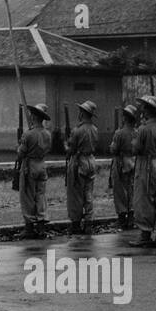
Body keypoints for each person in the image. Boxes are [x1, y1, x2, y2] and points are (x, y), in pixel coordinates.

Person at [131, 95, 156, 248]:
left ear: (148, 110)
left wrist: (135, 140)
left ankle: (145, 234)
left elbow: (136, 149)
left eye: (144, 107)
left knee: (144, 200)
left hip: (145, 163)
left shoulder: (143, 129)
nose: (142, 110)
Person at [16, 102, 52, 238]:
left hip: (29, 166)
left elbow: (21, 154)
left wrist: (18, 147)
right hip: (41, 165)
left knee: (28, 197)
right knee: (41, 196)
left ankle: (29, 228)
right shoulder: (47, 134)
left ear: (34, 117)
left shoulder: (28, 134)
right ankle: (41, 226)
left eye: (32, 114)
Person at [65, 100, 99, 235]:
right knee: (88, 194)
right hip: (91, 160)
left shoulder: (77, 130)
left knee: (76, 195)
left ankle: (76, 224)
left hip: (79, 162)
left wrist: (66, 146)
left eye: (80, 111)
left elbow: (71, 150)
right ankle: (89, 223)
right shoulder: (95, 129)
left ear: (83, 113)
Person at [109, 103, 138, 230]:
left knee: (120, 191)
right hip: (134, 161)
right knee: (132, 190)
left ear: (125, 118)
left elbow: (114, 149)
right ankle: (131, 217)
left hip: (121, 162)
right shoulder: (137, 132)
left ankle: (122, 218)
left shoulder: (119, 133)